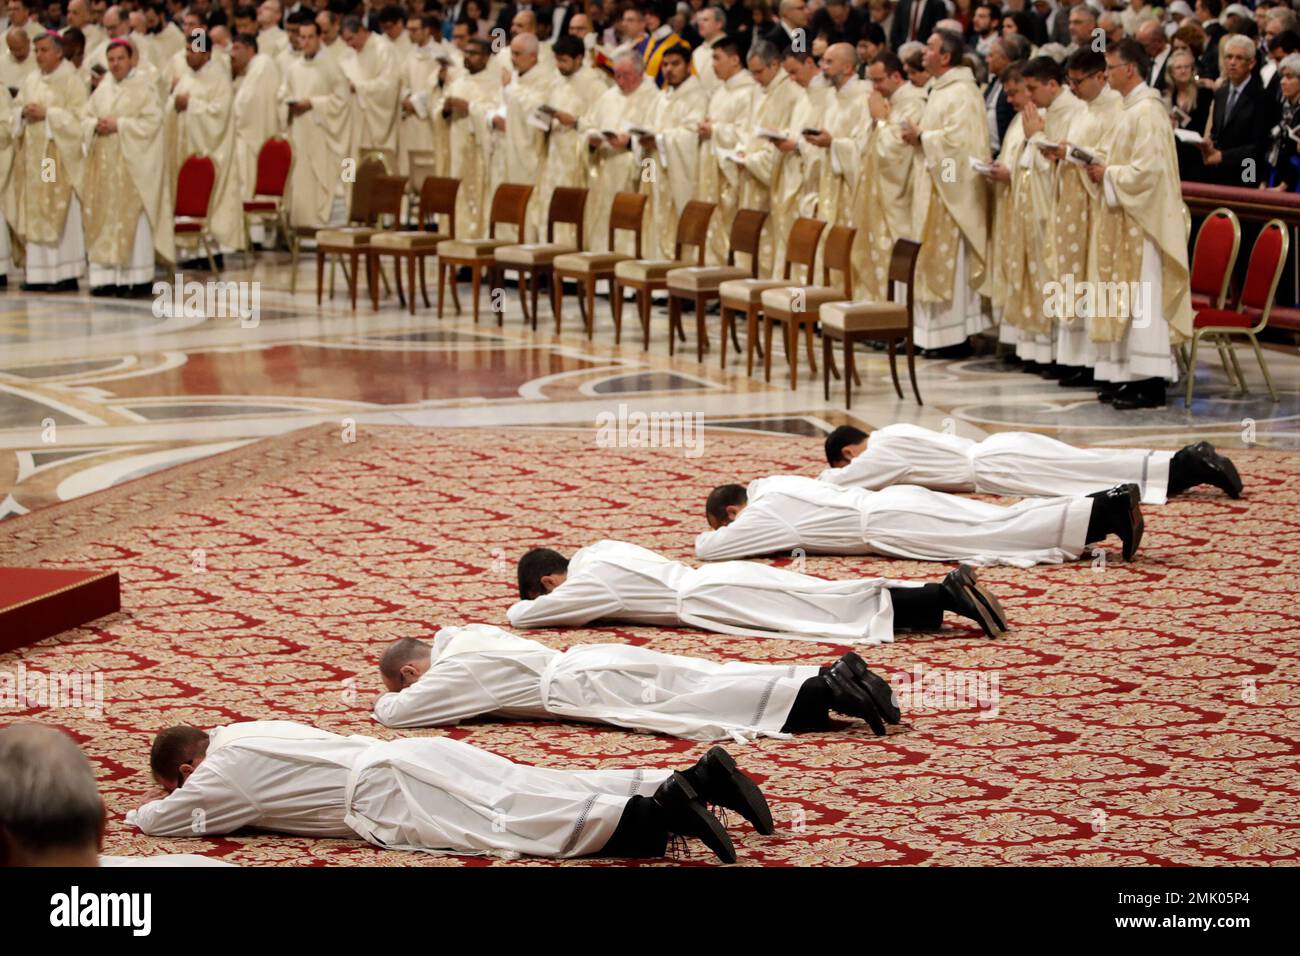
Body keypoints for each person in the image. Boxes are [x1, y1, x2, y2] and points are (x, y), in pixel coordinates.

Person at [129, 719, 771, 864]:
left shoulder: (213, 774)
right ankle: (693, 780)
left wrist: (140, 803)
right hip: (408, 754)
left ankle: (661, 814)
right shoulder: (246, 730)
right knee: (535, 784)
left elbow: (164, 822)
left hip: (386, 792)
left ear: (186, 768)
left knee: (512, 823)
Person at [374, 623, 900, 737]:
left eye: (408, 682)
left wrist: (390, 698)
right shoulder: (468, 636)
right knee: (705, 675)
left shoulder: (451, 672)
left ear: (410, 672)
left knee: (701, 701)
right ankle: (825, 675)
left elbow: (400, 714)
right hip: (590, 658)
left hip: (579, 688)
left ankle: (827, 692)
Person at [509, 540, 1010, 643]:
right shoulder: (599, 549)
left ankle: (945, 595)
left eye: (546, 592)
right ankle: (939, 597)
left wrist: (530, 605)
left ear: (550, 582)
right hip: (716, 579)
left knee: (823, 609)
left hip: (709, 599)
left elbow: (526, 619)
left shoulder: (588, 581)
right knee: (822, 596)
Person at [699, 473, 1144, 566]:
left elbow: (713, 549)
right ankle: (1106, 501)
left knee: (995, 535)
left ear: (732, 513)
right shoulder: (774, 483)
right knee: (994, 519)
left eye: (728, 522)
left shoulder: (764, 511)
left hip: (890, 523)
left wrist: (717, 532)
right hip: (896, 501)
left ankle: (1103, 512)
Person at [1085, 38, 1193, 410]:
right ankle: (1125, 375)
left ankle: (1149, 382)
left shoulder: (1147, 111)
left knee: (1143, 302)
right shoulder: (1129, 109)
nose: (1106, 75)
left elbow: (1149, 172)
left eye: (1110, 68)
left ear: (1129, 69)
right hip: (1124, 219)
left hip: (1142, 226)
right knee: (1127, 303)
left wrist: (1108, 172)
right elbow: (1122, 158)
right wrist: (1097, 162)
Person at [821, 424, 1242, 502]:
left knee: (1086, 473)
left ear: (848, 453)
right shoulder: (893, 430)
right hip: (1001, 449)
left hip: (998, 467)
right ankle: (1182, 462)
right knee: (1087, 464)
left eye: (847, 463)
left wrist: (830, 476)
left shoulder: (878, 451)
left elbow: (841, 484)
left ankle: (1186, 465)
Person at [900, 29, 990, 354]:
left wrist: (923, 136)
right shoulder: (940, 89)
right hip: (933, 184)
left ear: (946, 56)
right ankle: (927, 335)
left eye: (930, 47)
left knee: (948, 260)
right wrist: (918, 136)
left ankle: (952, 337)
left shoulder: (962, 93)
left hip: (949, 189)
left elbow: (958, 146)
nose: (924, 52)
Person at [81, 38, 172, 298]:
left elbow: (153, 123)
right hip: (106, 168)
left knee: (134, 222)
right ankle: (107, 278)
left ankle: (138, 278)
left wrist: (119, 125)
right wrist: (94, 125)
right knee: (104, 220)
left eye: (121, 58)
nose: (115, 64)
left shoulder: (145, 87)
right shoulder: (103, 88)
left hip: (134, 168)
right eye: (111, 59)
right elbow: (85, 117)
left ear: (132, 59)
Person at [13, 31, 87, 292]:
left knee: (54, 208)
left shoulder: (71, 80)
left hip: (53, 160)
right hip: (34, 159)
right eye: (37, 51)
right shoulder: (31, 79)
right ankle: (39, 274)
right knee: (38, 211)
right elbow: (16, 107)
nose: (39, 55)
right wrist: (22, 112)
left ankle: (61, 274)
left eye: (44, 50)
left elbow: (81, 119)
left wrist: (48, 114)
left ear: (58, 52)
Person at [278, 18, 349, 230]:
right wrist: (288, 104)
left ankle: (322, 224)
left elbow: (341, 100)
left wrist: (312, 103)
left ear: (320, 38)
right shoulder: (293, 68)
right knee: (301, 178)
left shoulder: (331, 66)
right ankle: (301, 225)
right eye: (302, 37)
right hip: (300, 132)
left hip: (323, 134)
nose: (306, 41)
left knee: (324, 178)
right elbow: (282, 95)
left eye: (311, 37)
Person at [1267, 52, 1300, 191]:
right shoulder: (1281, 107)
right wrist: (1262, 181)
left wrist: (1283, 186)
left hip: (1294, 183)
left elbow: (1297, 156)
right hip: (1275, 173)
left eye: (1289, 77)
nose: (1282, 81)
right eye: (1282, 77)